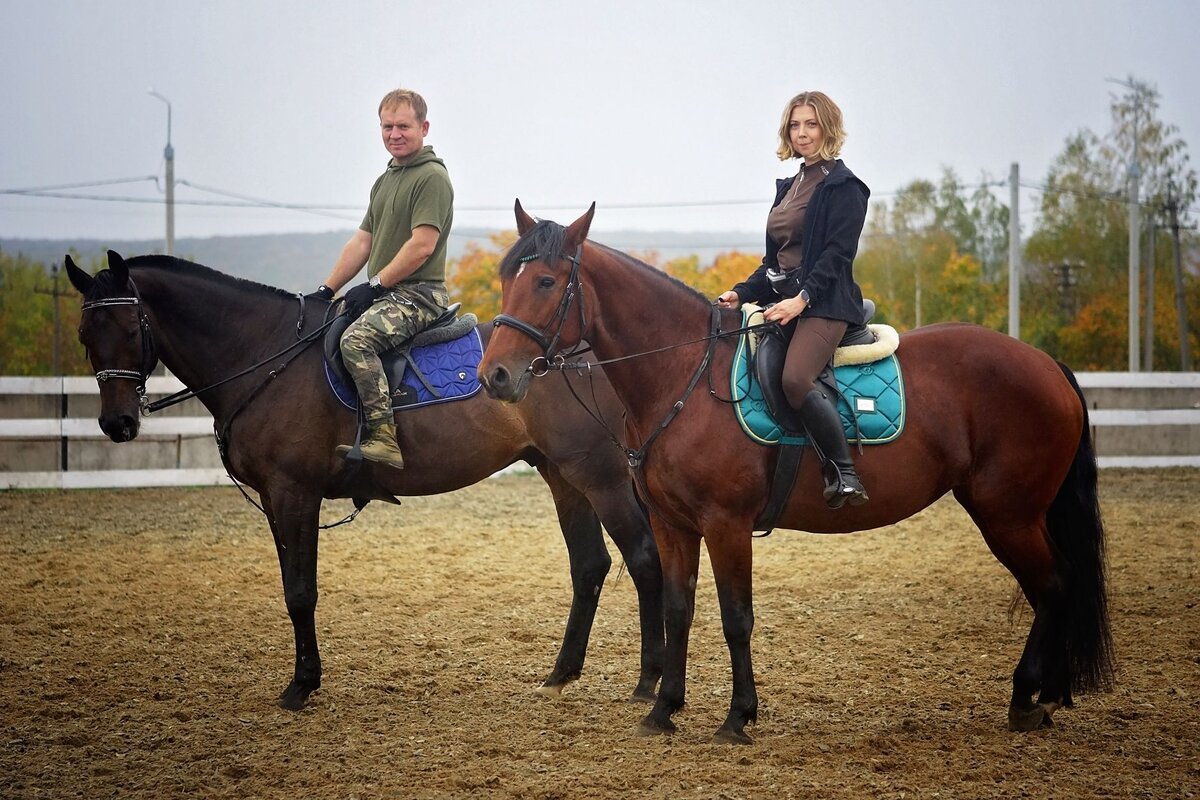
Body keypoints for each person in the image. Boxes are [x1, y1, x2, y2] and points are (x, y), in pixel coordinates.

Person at [717, 90, 870, 509]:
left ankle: (844, 472)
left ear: (829, 128)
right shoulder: (790, 185)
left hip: (826, 304)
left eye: (811, 124)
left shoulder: (845, 187)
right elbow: (774, 262)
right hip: (784, 305)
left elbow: (837, 257)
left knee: (795, 378)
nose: (802, 133)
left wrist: (802, 299)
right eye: (795, 125)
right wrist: (741, 293)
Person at [310, 88, 454, 470]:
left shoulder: (431, 177)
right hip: (387, 293)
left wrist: (375, 285)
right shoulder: (384, 180)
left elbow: (422, 246)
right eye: (387, 126)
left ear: (423, 127)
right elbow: (362, 242)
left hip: (419, 295)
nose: (395, 134)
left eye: (403, 126)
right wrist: (327, 290)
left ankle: (383, 437)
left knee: (355, 341)